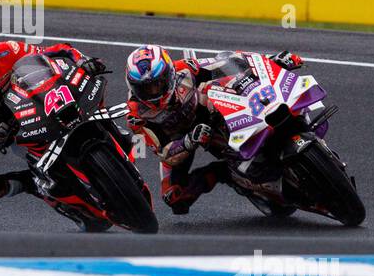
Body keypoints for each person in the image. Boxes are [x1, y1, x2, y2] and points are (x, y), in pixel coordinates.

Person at [124, 44, 303, 215]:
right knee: (174, 197)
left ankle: (276, 119)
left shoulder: (185, 69)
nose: (153, 92)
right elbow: (163, 152)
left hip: (207, 111)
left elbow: (229, 61)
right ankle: (225, 173)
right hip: (181, 140)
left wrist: (272, 62)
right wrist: (189, 141)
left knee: (224, 76)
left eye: (157, 83)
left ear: (169, 74)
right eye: (145, 89)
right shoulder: (136, 114)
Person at [0, 23, 104, 206]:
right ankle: (31, 184)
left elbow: (56, 51)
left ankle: (103, 127)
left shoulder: (9, 50)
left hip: (28, 104)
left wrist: (82, 60)